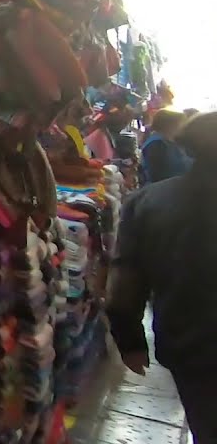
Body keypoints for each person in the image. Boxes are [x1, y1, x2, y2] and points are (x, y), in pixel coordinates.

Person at [108, 111, 217, 443]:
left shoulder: (147, 202)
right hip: (192, 343)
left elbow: (125, 283)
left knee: (206, 424)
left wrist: (129, 340)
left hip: (187, 344)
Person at [139, 109, 190, 184]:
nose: (184, 128)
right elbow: (157, 175)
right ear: (169, 125)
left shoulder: (171, 142)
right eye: (181, 124)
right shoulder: (157, 144)